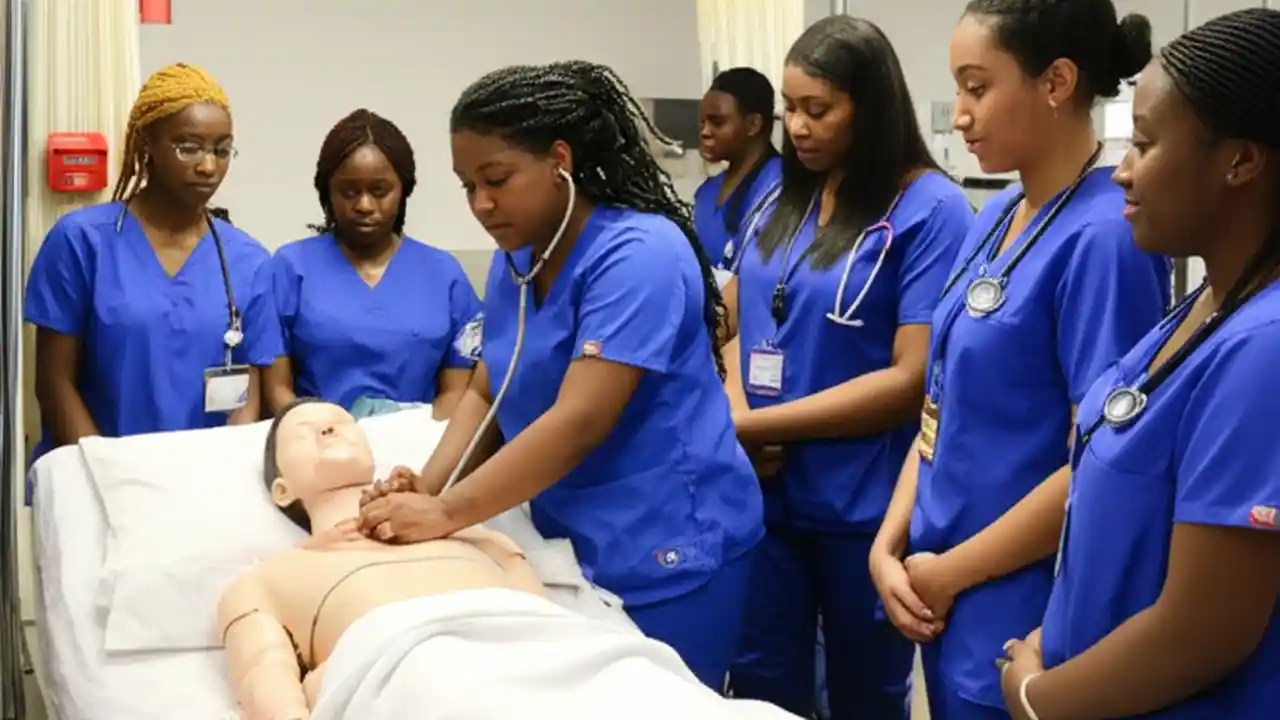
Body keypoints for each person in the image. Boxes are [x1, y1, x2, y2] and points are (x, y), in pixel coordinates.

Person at [353, 60, 765, 691]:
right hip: (570, 541)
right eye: (467, 186)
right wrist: (429, 489)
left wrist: (446, 514)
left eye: (496, 179)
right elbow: (491, 384)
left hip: (668, 547)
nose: (481, 204)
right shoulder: (516, 259)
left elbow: (580, 421)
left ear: (560, 161)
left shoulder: (639, 255)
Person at [868, 3, 1173, 718]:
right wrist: (889, 545)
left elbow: (1095, 461)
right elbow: (941, 403)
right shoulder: (1001, 215)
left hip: (1015, 602)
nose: (960, 116)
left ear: (1057, 81)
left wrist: (949, 573)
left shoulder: (1106, 240)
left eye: (977, 88)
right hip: (934, 581)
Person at [992, 9, 1280, 718]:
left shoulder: (1265, 349)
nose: (1122, 170)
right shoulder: (1207, 303)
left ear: (1241, 161)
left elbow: (1200, 636)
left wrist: (1036, 698)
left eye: (1145, 145)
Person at [222, 398, 796, 720]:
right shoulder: (267, 580)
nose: (330, 422)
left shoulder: (480, 537)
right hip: (418, 667)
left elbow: (551, 634)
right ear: (280, 491)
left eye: (343, 420)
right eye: (306, 429)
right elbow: (265, 685)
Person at [723, 16, 973, 720]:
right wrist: (740, 413)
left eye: (818, 110)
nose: (797, 128)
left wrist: (759, 422)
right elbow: (731, 323)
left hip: (862, 506)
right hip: (766, 497)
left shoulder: (933, 211)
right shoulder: (779, 196)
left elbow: (910, 378)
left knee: (867, 693)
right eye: (790, 109)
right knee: (764, 682)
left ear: (872, 104)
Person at [24, 63, 273, 463]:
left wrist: (223, 476)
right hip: (94, 476)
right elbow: (54, 383)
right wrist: (106, 475)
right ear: (146, 145)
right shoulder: (82, 242)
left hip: (204, 485)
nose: (208, 165)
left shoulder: (249, 262)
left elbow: (248, 389)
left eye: (221, 149)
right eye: (188, 146)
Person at [252, 110, 481, 419]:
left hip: (419, 452)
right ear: (327, 191)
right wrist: (323, 435)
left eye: (379, 191)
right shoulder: (290, 268)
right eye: (349, 191)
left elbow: (457, 393)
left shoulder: (444, 274)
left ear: (404, 189)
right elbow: (276, 390)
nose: (364, 205)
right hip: (316, 446)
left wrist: (416, 445)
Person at [693, 67, 782, 279]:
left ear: (753, 125)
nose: (705, 132)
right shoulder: (706, 193)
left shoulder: (781, 189)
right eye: (702, 122)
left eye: (717, 122)